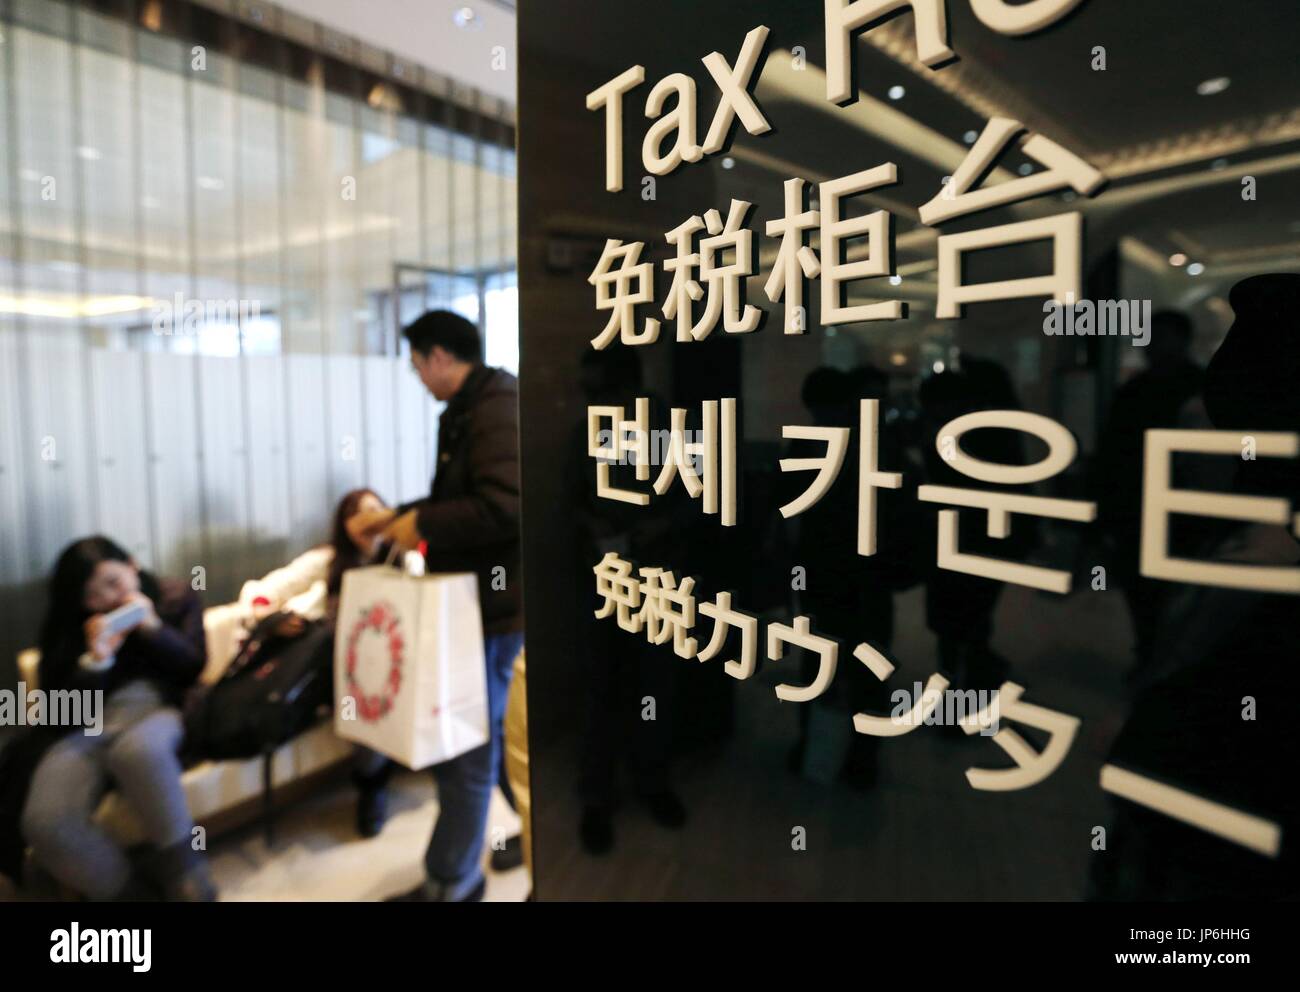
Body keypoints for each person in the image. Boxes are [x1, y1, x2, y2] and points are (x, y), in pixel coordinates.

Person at [352, 309, 523, 902]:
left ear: (440, 357)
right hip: (473, 607)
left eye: (417, 364)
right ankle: (469, 866)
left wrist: (417, 522)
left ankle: (453, 881)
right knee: (476, 744)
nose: (419, 377)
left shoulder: (495, 405)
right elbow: (461, 498)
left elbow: (503, 507)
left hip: (494, 610)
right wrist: (395, 517)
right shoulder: (471, 408)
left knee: (469, 749)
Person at [19, 537, 216, 901]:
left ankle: (189, 880)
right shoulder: (68, 625)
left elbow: (192, 666)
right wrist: (96, 662)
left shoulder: (174, 596)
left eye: (114, 583)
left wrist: (153, 627)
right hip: (84, 727)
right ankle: (131, 893)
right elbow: (58, 708)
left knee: (139, 753)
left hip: (157, 710)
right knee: (45, 820)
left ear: (132, 564)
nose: (109, 600)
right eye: (92, 596)